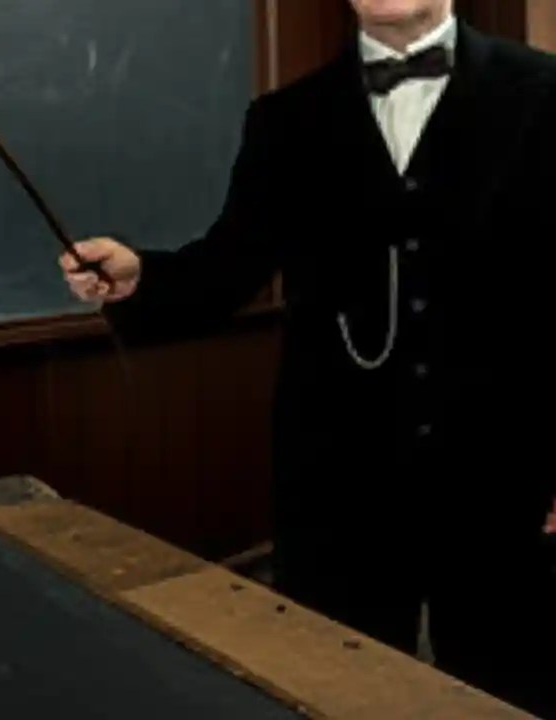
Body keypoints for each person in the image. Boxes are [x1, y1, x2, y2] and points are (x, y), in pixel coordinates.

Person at [60, 1, 556, 716]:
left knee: (515, 686)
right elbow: (227, 266)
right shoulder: (284, 119)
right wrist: (141, 277)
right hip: (338, 476)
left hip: (505, 471)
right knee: (332, 691)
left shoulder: (545, 93)